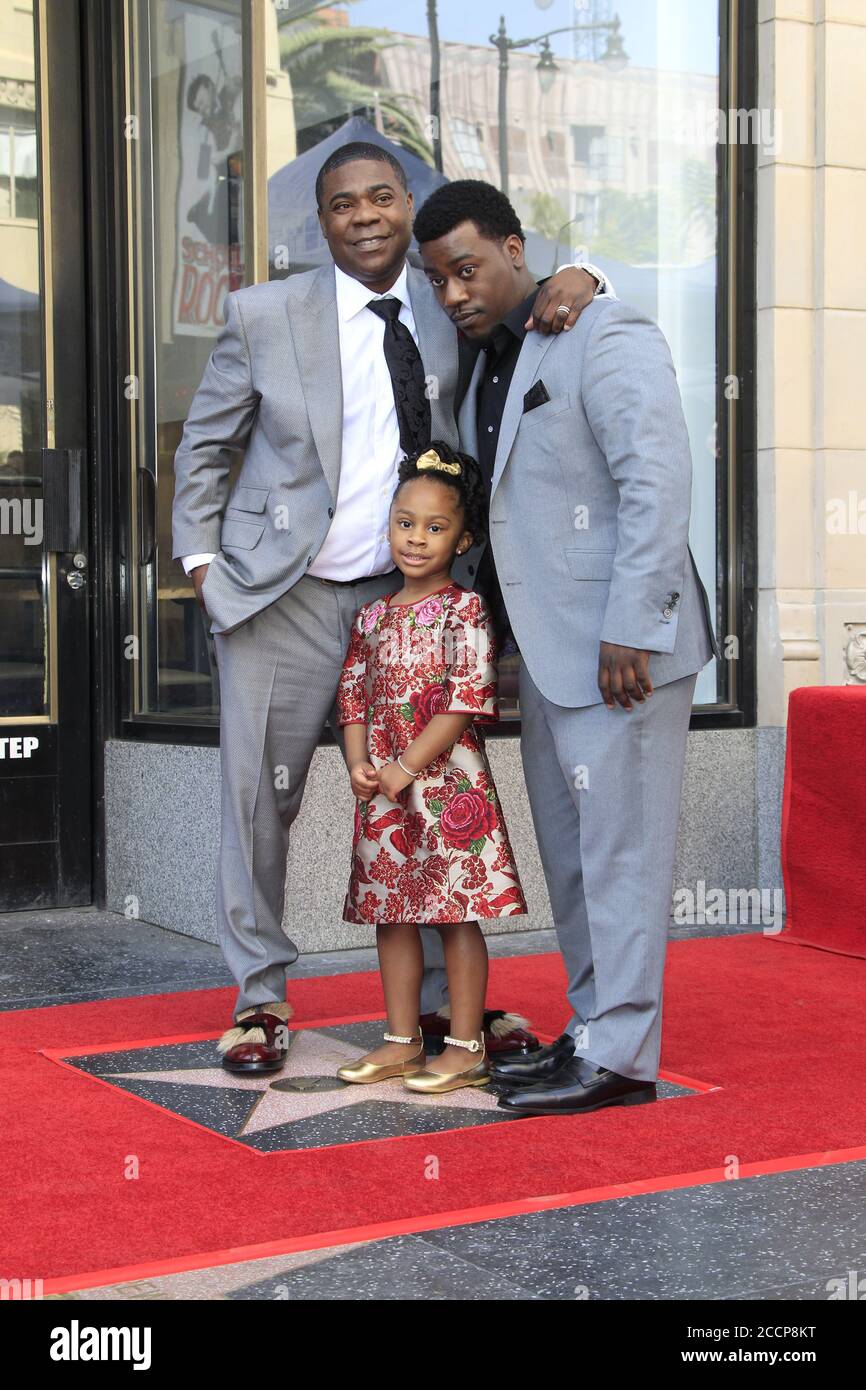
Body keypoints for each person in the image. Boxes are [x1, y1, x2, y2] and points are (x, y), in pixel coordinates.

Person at [171, 142, 605, 1074]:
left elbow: (527, 267)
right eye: (341, 204)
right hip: (280, 597)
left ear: (407, 205)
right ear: (319, 221)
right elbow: (205, 448)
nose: (363, 215)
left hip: (410, 599)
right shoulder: (262, 313)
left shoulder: (451, 304)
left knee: (423, 794)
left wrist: (588, 269)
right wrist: (205, 565)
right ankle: (259, 1000)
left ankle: (454, 1015)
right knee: (259, 801)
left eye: (380, 197)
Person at [413, 180, 721, 1116]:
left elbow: (656, 478)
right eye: (440, 281)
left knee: (622, 857)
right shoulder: (485, 362)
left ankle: (623, 1058)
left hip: (620, 652)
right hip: (548, 659)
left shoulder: (605, 330)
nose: (457, 293)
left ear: (517, 248)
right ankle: (594, 1032)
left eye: (469, 269)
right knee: (578, 862)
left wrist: (636, 621)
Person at [335, 443, 527, 1093]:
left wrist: (406, 767)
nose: (416, 538)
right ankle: (400, 1039)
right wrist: (362, 764)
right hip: (385, 790)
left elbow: (466, 698)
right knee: (392, 911)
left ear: (463, 537)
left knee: (452, 911)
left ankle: (468, 1044)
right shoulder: (370, 616)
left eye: (436, 527)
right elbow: (354, 695)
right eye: (405, 522)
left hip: (446, 787)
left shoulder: (464, 611)